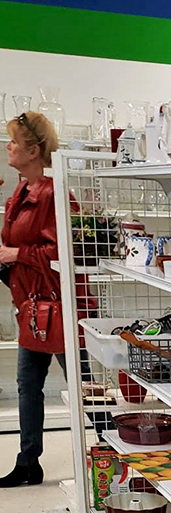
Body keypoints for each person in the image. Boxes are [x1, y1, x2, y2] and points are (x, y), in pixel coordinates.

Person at [0, 111, 62, 488]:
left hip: (58, 305)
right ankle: (28, 462)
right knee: (27, 385)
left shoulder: (54, 193)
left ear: (34, 150)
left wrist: (14, 256)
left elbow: (61, 255)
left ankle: (110, 449)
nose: (8, 146)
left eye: (14, 141)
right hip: (32, 306)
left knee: (85, 384)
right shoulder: (21, 192)